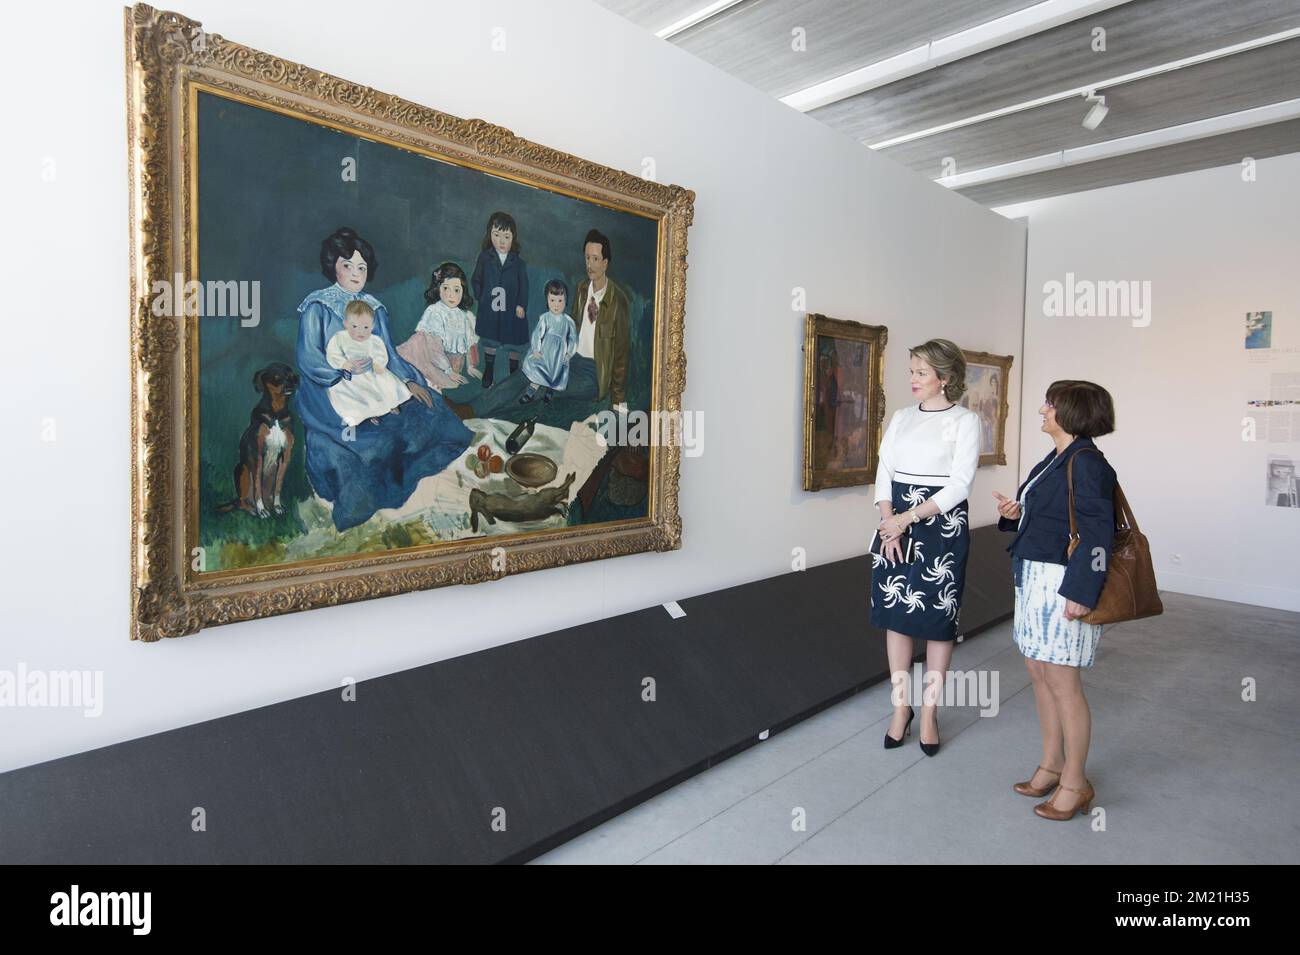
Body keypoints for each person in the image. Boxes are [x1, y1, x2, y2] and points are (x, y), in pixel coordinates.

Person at [295, 227, 474, 531]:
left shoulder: (373, 309)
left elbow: (389, 355)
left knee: (430, 410)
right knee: (369, 445)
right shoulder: (317, 307)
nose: (355, 273)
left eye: (362, 267)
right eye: (348, 265)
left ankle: (415, 472)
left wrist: (410, 381)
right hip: (333, 389)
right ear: (333, 266)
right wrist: (342, 371)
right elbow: (309, 358)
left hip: (376, 381)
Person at [993, 379, 1117, 821]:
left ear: (1073, 411)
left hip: (1063, 585)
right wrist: (1016, 515)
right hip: (1033, 579)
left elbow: (1100, 535)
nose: (1043, 409)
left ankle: (1076, 783)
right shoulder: (1057, 457)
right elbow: (1051, 519)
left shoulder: (1087, 463)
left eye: (1051, 403)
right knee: (1039, 672)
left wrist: (1083, 593)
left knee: (1063, 684)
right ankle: (1051, 764)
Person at [872, 339, 981, 757]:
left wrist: (907, 519)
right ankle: (901, 709)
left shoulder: (965, 421)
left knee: (938, 622)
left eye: (921, 372)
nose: (913, 379)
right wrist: (888, 520)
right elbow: (885, 471)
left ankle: (931, 711)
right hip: (893, 522)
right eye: (912, 371)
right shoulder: (901, 418)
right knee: (896, 618)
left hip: (941, 524)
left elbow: (960, 484)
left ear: (945, 378)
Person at [396, 262, 482, 392]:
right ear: (438, 289)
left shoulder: (466, 317)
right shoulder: (435, 312)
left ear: (463, 291)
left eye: (457, 290)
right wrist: (448, 370)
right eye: (446, 288)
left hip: (452, 365)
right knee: (427, 386)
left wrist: (471, 366)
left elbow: (471, 344)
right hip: (428, 358)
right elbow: (433, 348)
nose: (451, 295)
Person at [325, 300, 413, 426]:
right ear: (346, 324)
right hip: (353, 375)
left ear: (371, 326)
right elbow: (332, 353)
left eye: (365, 327)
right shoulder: (340, 338)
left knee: (385, 385)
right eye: (354, 326)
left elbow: (380, 353)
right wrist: (343, 363)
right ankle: (370, 414)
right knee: (357, 395)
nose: (360, 332)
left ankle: (390, 405)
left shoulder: (373, 340)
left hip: (371, 371)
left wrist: (378, 363)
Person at [470, 211, 529, 388]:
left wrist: (521, 305)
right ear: (490, 235)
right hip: (491, 307)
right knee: (490, 337)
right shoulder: (485, 258)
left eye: (506, 236)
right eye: (496, 235)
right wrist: (481, 296)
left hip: (511, 308)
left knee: (514, 339)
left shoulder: (519, 263)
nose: (501, 241)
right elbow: (476, 279)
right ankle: (489, 369)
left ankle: (514, 372)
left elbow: (524, 286)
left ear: (513, 238)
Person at [519, 279, 578, 404]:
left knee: (555, 374)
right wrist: (536, 349)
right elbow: (537, 334)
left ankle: (550, 390)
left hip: (558, 355)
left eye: (560, 301)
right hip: (545, 351)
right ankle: (531, 392)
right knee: (538, 371)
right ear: (547, 300)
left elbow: (573, 338)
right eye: (552, 300)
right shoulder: (545, 318)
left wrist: (569, 353)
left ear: (565, 301)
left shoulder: (568, 321)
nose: (556, 305)